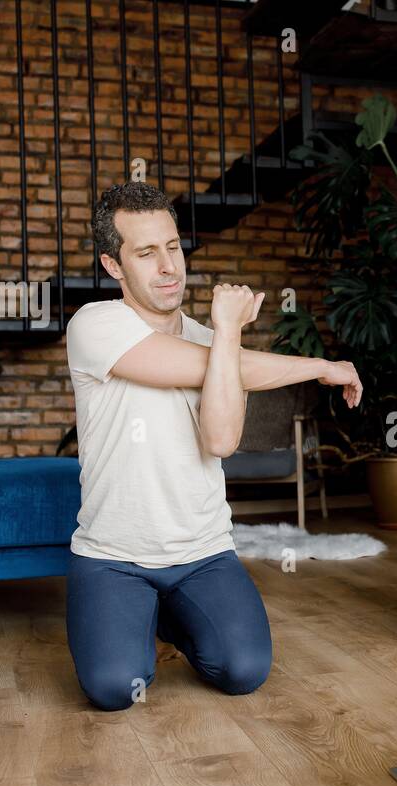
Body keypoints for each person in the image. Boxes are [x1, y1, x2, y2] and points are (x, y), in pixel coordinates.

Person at [64, 182, 361, 710]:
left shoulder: (213, 340)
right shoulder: (95, 325)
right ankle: (139, 617)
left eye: (173, 246)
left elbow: (221, 441)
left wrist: (225, 338)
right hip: (113, 557)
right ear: (114, 266)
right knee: (114, 689)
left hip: (202, 552)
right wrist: (319, 366)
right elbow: (216, 365)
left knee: (244, 671)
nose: (168, 267)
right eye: (146, 252)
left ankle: (173, 618)